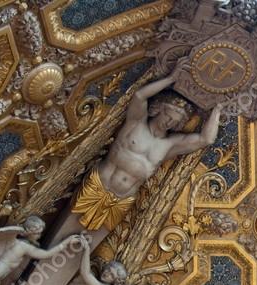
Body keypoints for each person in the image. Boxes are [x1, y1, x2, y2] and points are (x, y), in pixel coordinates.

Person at [73, 74, 221, 232]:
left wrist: (218, 109)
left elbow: (206, 139)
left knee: (87, 244)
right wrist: (171, 79)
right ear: (158, 109)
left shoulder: (170, 145)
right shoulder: (136, 122)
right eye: (168, 116)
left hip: (123, 199)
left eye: (175, 121)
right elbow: (139, 96)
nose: (169, 123)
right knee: (66, 230)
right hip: (99, 184)